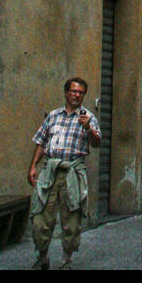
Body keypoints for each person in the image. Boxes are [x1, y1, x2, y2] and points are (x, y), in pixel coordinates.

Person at [28, 76, 101, 270]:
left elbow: (96, 143)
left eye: (81, 92)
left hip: (73, 171)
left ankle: (66, 261)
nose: (77, 95)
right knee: (40, 217)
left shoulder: (88, 117)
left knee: (72, 219)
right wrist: (33, 166)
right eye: (74, 91)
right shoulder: (53, 116)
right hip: (50, 170)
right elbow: (41, 142)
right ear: (66, 92)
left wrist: (89, 128)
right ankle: (42, 257)